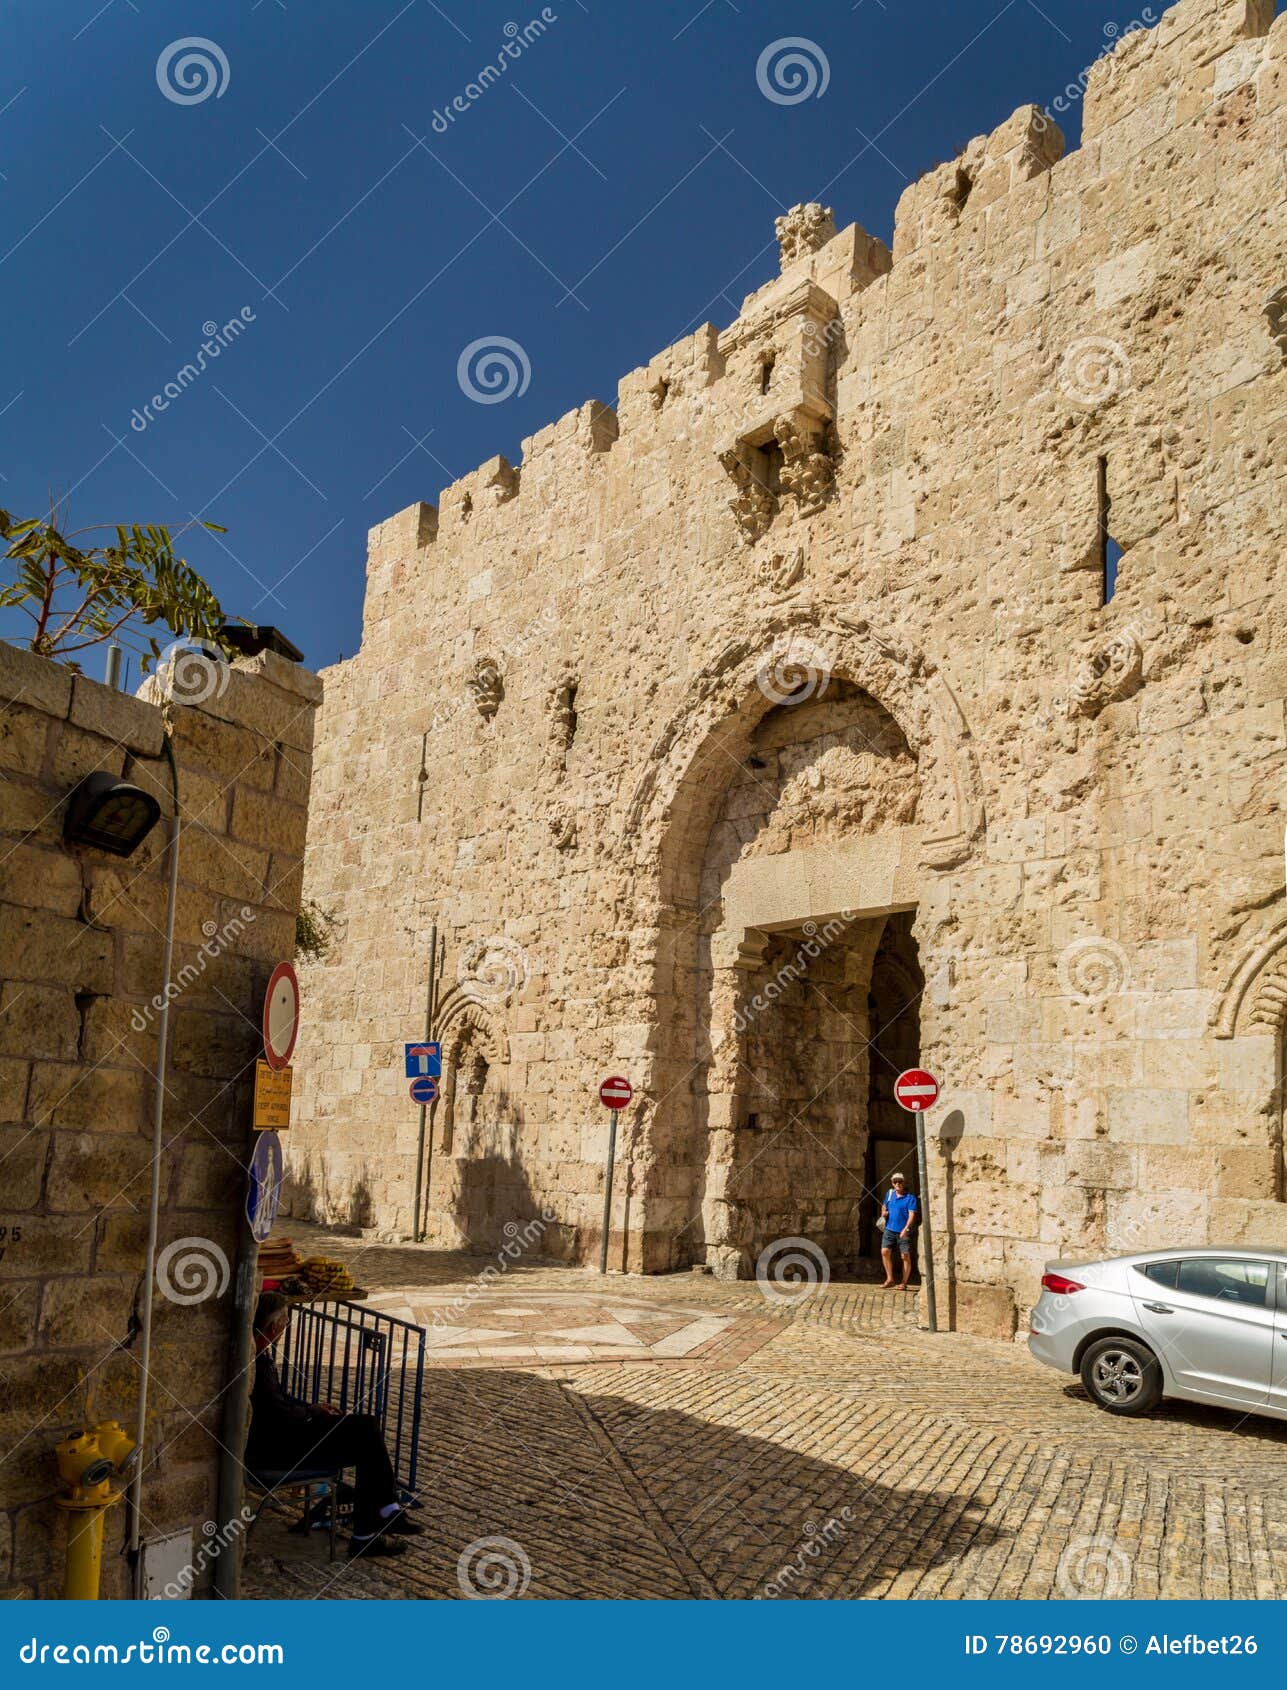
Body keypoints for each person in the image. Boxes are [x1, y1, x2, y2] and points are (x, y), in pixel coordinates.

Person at [246, 1292, 423, 1559]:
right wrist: (309, 1413)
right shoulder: (256, 1362)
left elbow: (279, 1402)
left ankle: (376, 1523)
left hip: (281, 1437)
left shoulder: (258, 1357)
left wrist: (312, 1409)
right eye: (284, 1324)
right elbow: (277, 1412)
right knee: (366, 1434)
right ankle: (382, 1515)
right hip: (276, 1449)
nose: (285, 1329)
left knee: (366, 1434)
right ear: (273, 1328)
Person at [877, 1172, 918, 1290]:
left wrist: (906, 1228)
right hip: (889, 1229)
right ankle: (890, 1279)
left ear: (904, 1183)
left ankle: (904, 1282)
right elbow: (884, 1208)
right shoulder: (889, 1194)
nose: (898, 1183)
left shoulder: (910, 1198)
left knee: (905, 1255)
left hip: (903, 1231)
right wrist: (883, 1213)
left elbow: (912, 1215)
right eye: (895, 1182)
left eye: (900, 1181)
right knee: (884, 1252)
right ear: (892, 1184)